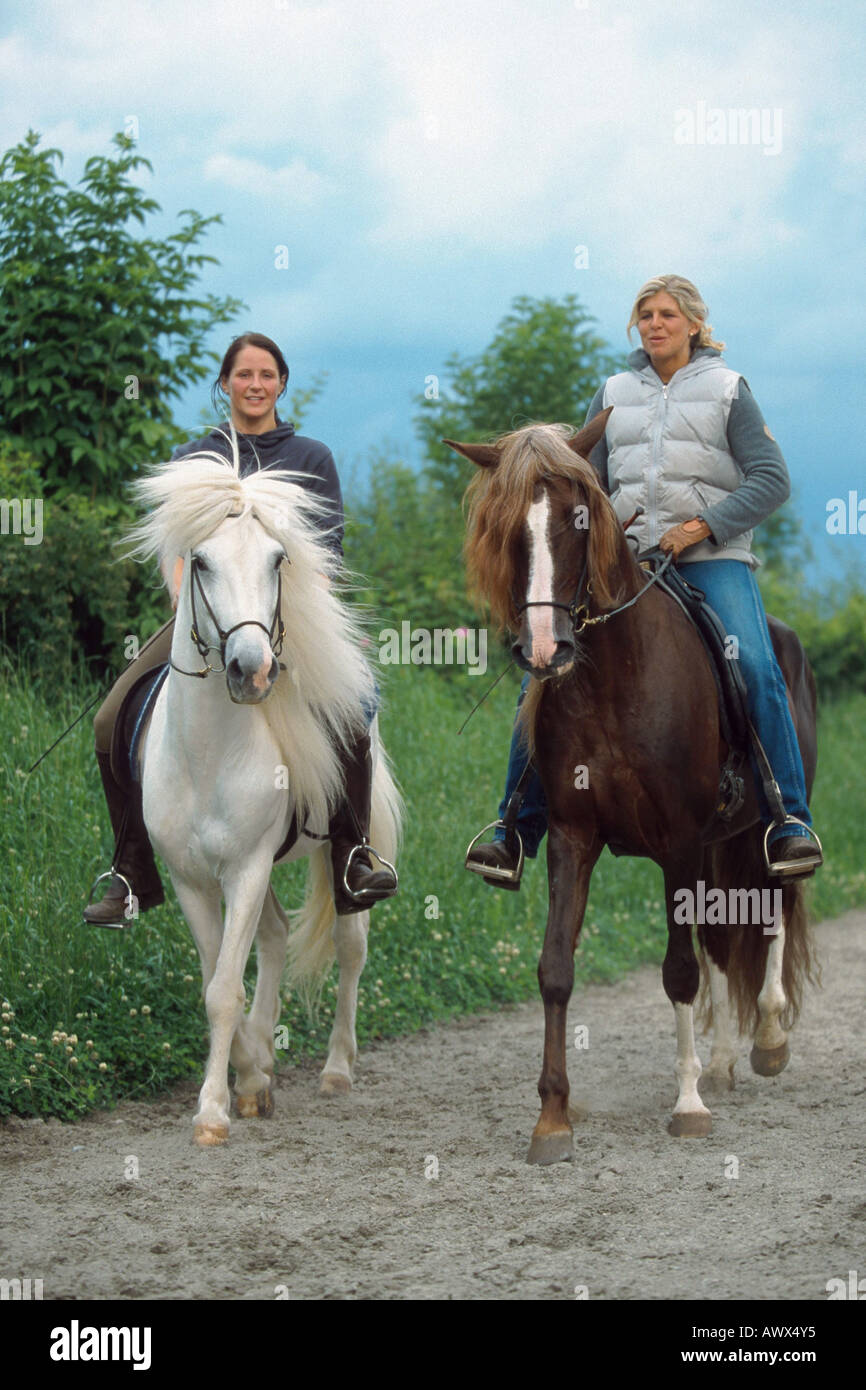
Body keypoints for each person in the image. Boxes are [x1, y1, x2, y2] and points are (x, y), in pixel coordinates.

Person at [465, 275, 823, 887]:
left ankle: (788, 818)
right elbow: (585, 485)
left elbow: (771, 479)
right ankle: (513, 830)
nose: (655, 324)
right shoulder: (612, 392)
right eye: (645, 315)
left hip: (712, 561)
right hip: (626, 563)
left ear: (694, 324)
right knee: (540, 674)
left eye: (667, 314)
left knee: (759, 667)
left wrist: (703, 525)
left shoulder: (728, 389)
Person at [84, 332, 397, 925]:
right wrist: (184, 599)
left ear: (282, 383)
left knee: (352, 714)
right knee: (109, 719)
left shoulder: (311, 458)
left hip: (291, 625)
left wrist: (311, 629)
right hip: (202, 621)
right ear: (224, 383)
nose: (256, 385)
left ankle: (352, 854)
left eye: (267, 375)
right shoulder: (194, 459)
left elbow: (324, 557)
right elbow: (175, 550)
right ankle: (131, 872)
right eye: (244, 374)